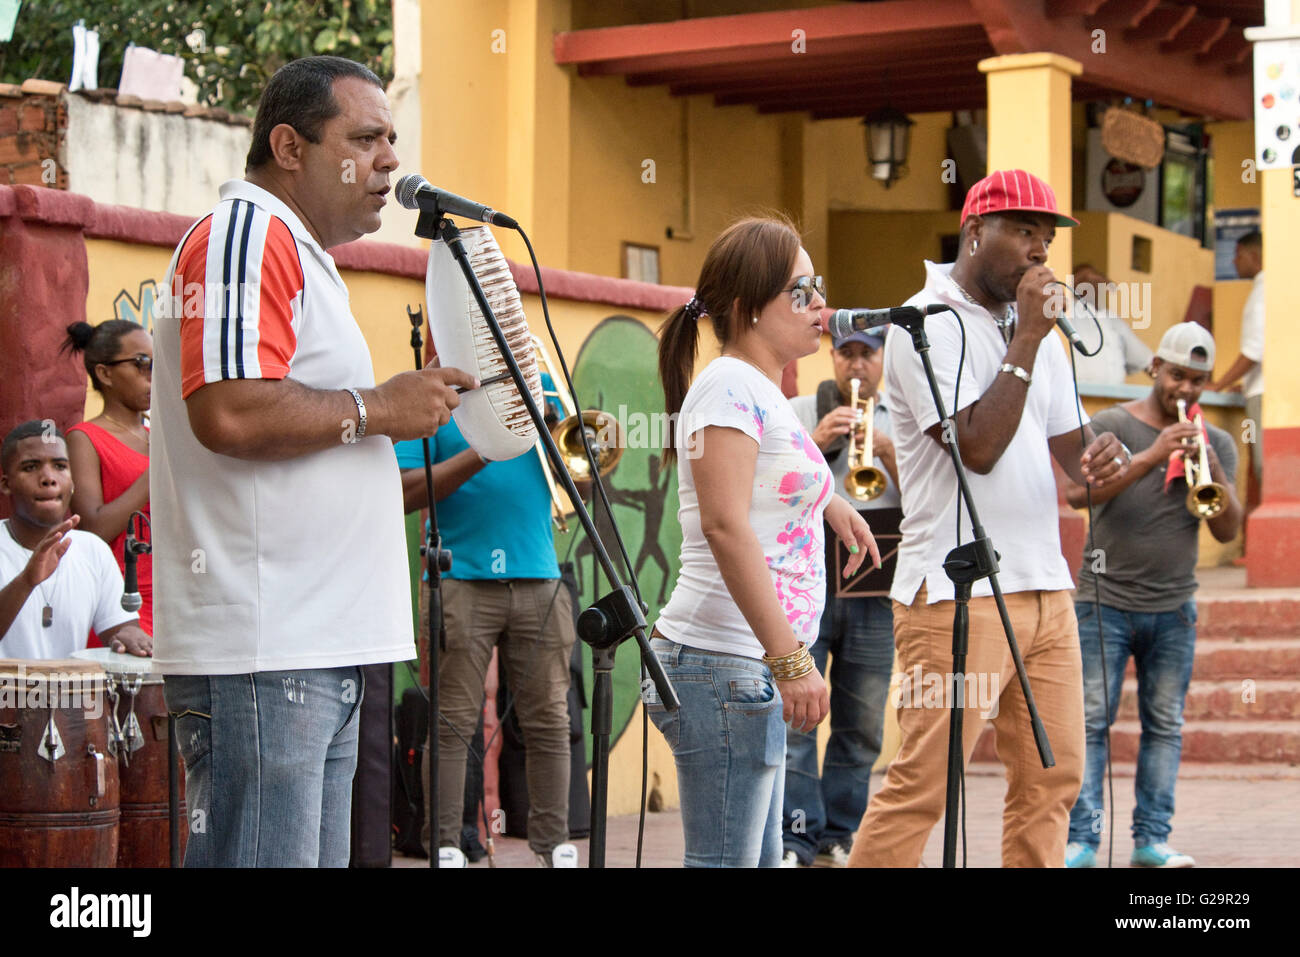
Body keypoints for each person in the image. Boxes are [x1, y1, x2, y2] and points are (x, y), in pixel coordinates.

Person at [150, 55, 476, 868]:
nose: (391, 161)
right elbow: (227, 407)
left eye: (393, 139)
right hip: (266, 650)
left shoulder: (296, 250)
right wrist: (378, 408)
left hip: (309, 650)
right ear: (290, 145)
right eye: (365, 138)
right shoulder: (245, 234)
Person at [848, 169, 1130, 868]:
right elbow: (976, 445)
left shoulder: (1041, 338)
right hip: (953, 595)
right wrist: (1028, 337)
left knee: (1053, 776)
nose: (1040, 251)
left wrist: (1105, 461)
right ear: (975, 232)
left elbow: (1074, 460)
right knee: (924, 785)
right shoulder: (923, 325)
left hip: (1045, 589)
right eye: (1023, 231)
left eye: (1046, 236)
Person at [647, 215, 880, 868]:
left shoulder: (760, 389)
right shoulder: (727, 387)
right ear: (749, 309)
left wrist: (832, 504)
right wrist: (791, 660)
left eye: (818, 287)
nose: (821, 307)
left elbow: (768, 476)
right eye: (801, 292)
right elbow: (725, 523)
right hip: (725, 661)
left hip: (741, 666)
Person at [1066, 322, 1242, 869]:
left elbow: (1227, 530)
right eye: (1176, 376)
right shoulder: (1112, 425)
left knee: (1164, 726)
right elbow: (1079, 494)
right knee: (1092, 723)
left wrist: (1209, 467)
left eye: (1197, 380)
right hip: (1104, 602)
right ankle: (1083, 842)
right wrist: (1151, 455)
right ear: (1154, 370)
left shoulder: (1218, 442)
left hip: (1173, 608)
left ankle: (1152, 841)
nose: (1185, 389)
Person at [394, 367, 580, 869]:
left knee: (548, 719)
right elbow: (406, 491)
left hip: (539, 577)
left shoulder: (539, 384)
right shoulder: (434, 390)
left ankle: (552, 842)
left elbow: (579, 469)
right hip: (460, 577)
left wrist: (545, 425)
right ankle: (446, 842)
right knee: (454, 721)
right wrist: (485, 451)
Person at [779, 328, 900, 867]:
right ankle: (796, 836)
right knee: (799, 718)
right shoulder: (798, 411)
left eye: (866, 355)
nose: (855, 366)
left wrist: (891, 453)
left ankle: (840, 833)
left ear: (881, 361)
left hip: (875, 588)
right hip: (808, 584)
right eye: (845, 353)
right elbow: (771, 488)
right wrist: (819, 444)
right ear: (832, 357)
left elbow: (931, 503)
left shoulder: (906, 417)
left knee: (861, 722)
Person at [0, 421, 150, 659]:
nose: (49, 478)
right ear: (6, 484)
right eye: (30, 467)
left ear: (72, 482)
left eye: (60, 466)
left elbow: (121, 629)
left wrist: (128, 635)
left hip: (72, 695)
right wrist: (27, 581)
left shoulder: (93, 550)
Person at [63, 320, 155, 635]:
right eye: (142, 364)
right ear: (105, 373)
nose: (152, 375)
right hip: (119, 605)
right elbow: (92, 527)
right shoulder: (84, 438)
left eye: (158, 365)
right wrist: (156, 470)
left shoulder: (157, 437)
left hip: (174, 601)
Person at [1208, 231, 1263, 502]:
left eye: (1238, 254)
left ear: (1256, 256)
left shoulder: (1264, 291)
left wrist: (1219, 384)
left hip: (1264, 395)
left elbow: (1255, 350)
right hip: (1261, 387)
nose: (1233, 262)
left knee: (1264, 466)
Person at [1067, 264, 1153, 386]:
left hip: (1113, 397)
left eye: (1098, 284)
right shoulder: (1068, 312)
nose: (1094, 289)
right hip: (1078, 395)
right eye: (1087, 283)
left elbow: (1146, 361)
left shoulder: (1112, 320)